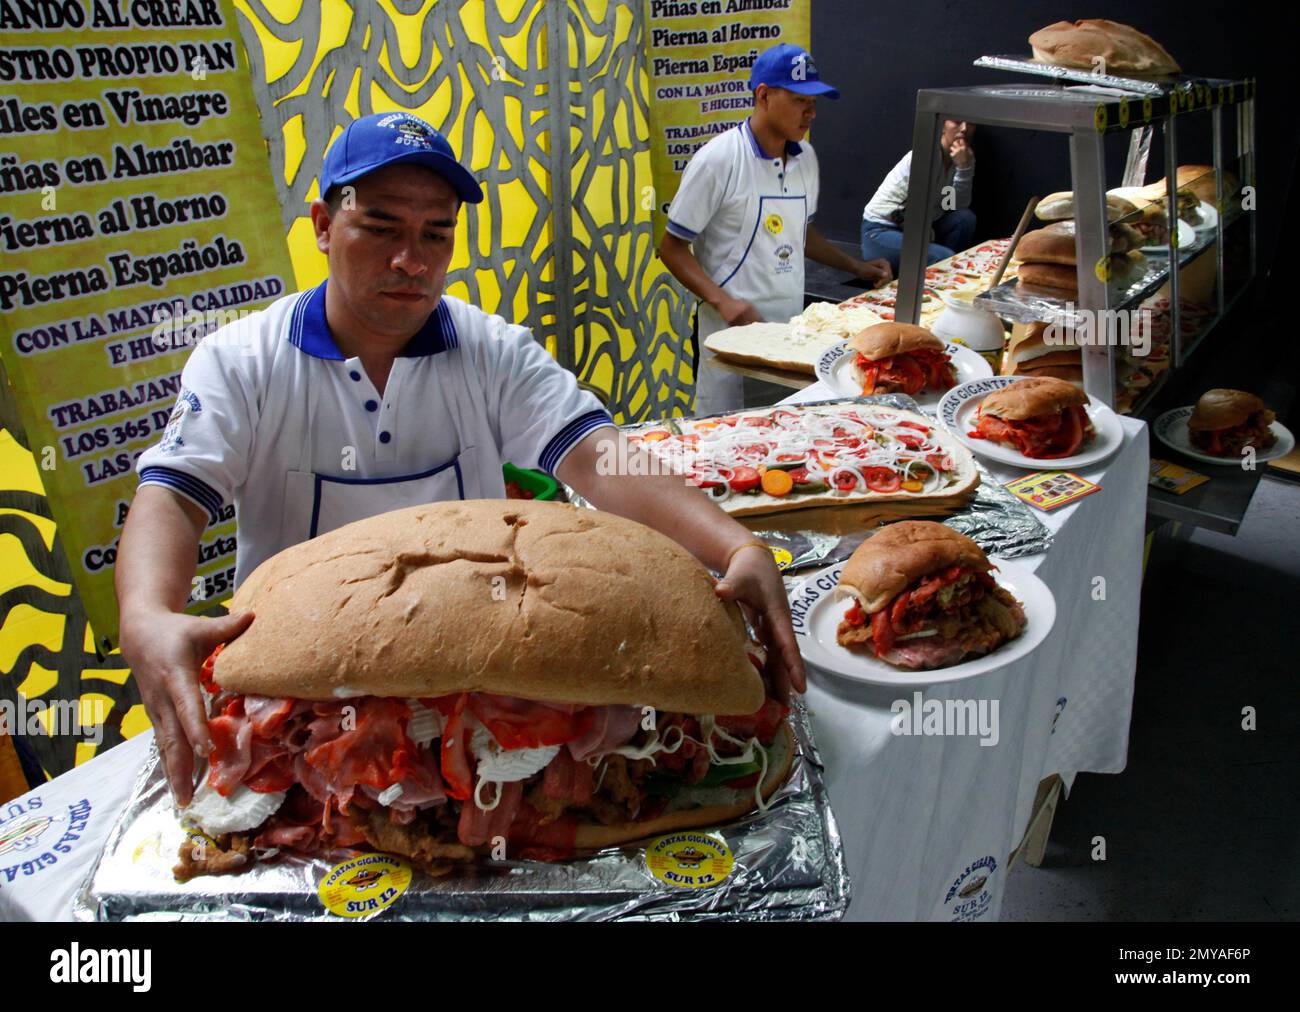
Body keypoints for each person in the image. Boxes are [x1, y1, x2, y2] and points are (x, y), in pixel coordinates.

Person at [115, 112, 805, 805]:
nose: (410, 261)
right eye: (380, 228)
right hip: (312, 698)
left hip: (485, 686)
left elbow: (597, 457)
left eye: (434, 234)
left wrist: (732, 542)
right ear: (324, 225)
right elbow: (175, 493)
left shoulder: (491, 352)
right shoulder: (243, 361)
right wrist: (147, 610)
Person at [658, 43, 892, 416]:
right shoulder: (719, 160)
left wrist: (856, 268)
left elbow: (800, 235)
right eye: (801, 100)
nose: (811, 112)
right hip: (729, 339)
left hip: (788, 335)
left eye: (815, 102)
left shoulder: (805, 159)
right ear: (764, 95)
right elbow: (671, 248)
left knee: (782, 436)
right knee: (728, 442)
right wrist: (724, 302)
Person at [860, 119, 977, 273]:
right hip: (881, 231)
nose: (964, 128)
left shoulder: (964, 158)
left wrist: (963, 168)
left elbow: (952, 205)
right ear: (942, 125)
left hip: (923, 229)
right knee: (945, 260)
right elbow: (899, 214)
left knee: (964, 219)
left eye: (971, 123)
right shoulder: (926, 156)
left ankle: (934, 269)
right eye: (956, 121)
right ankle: (936, 268)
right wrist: (930, 242)